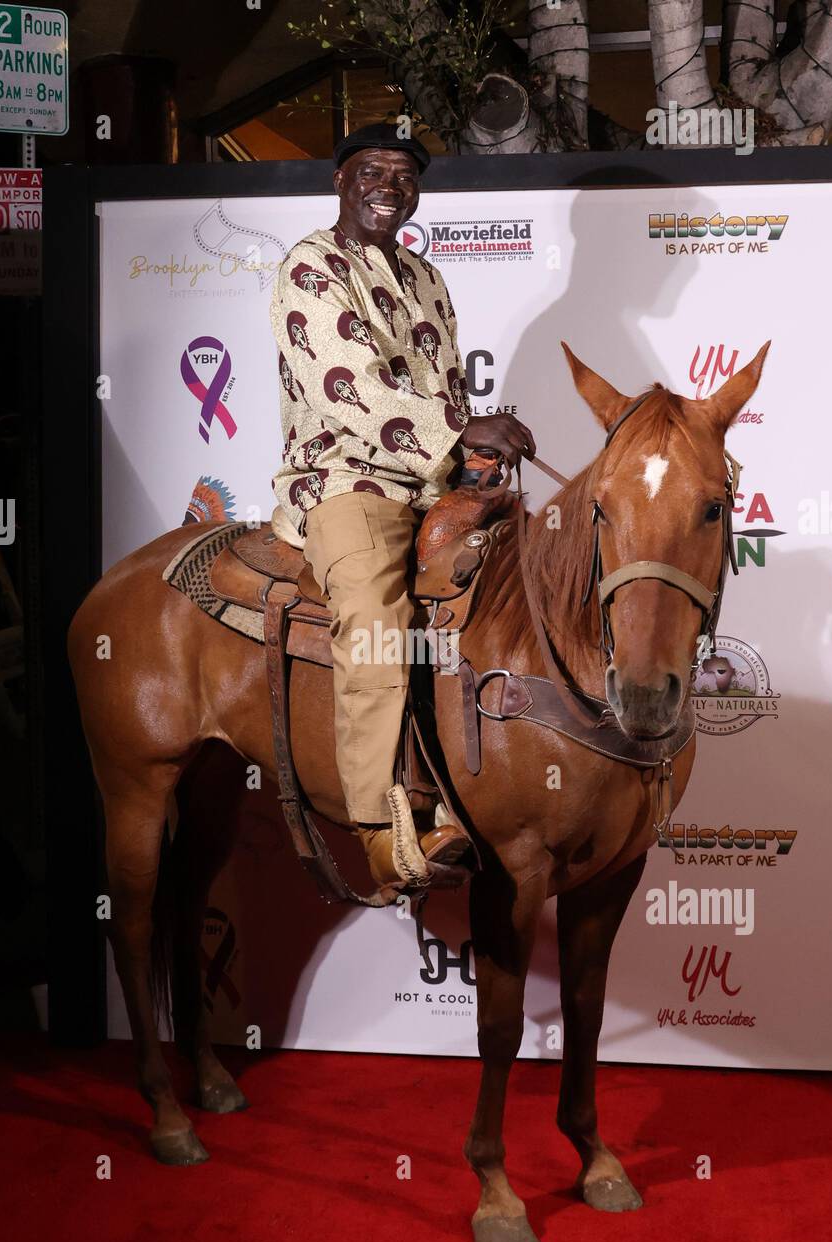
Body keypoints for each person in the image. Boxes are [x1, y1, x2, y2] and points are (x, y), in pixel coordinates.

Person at [269, 123, 537, 890]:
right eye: (371, 170)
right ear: (341, 182)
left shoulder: (426, 277)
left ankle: (480, 794)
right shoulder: (310, 267)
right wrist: (461, 429)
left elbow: (447, 388)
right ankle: (380, 831)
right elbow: (344, 387)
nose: (388, 184)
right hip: (347, 480)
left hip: (431, 483)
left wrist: (474, 460)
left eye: (403, 174)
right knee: (379, 624)